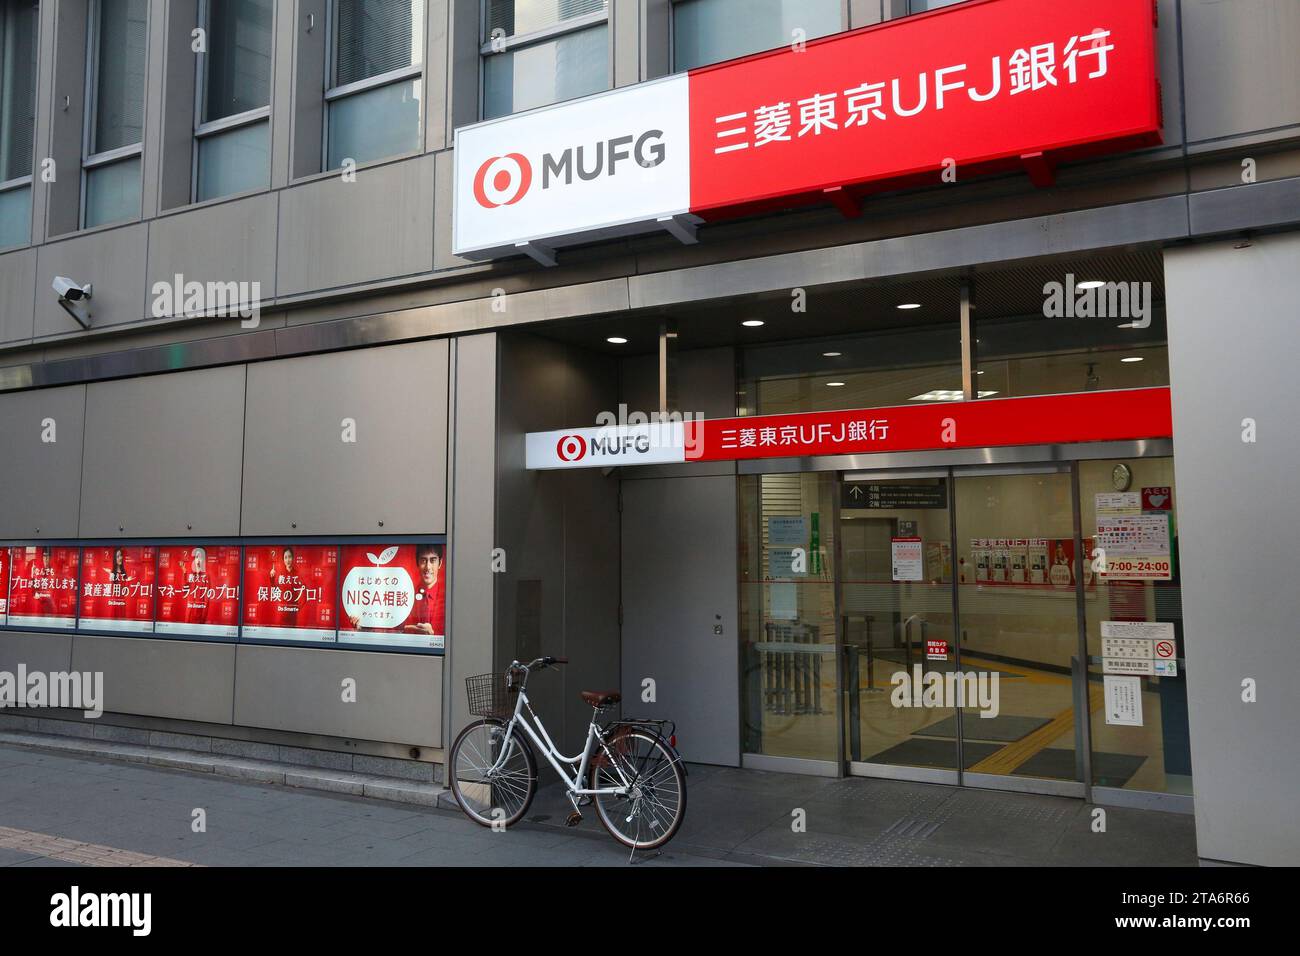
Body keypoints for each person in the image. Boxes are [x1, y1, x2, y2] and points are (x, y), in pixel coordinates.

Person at [406, 545, 446, 637]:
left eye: (433, 560)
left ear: (440, 563)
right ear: (417, 563)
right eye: (423, 560)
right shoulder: (408, 595)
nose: (428, 567)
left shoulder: (448, 595)